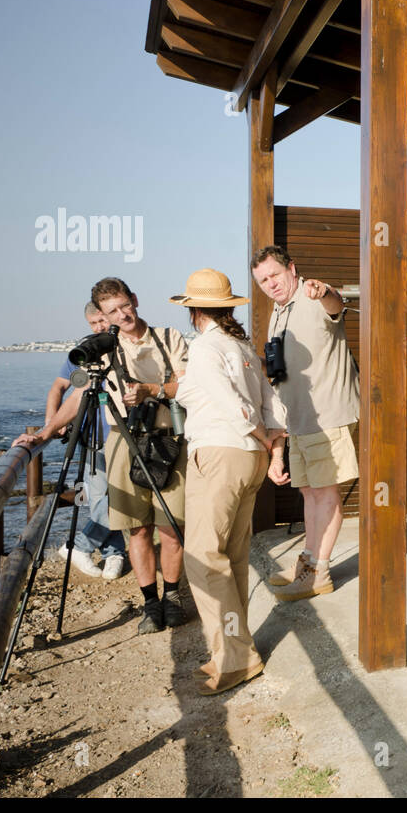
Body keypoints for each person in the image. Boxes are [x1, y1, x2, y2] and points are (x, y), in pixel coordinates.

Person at [15, 278, 189, 636]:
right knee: (136, 528)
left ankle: (172, 596)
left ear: (135, 300)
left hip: (168, 441)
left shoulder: (169, 337)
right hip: (123, 442)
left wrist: (150, 391)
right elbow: (77, 396)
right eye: (112, 311)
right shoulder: (103, 349)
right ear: (102, 314)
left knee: (171, 527)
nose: (122, 314)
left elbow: (188, 384)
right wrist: (45, 433)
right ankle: (150, 604)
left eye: (125, 305)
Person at [170, 269, 287, 695]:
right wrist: (272, 447)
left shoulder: (204, 348)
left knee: (201, 557)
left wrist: (257, 432)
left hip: (220, 454)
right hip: (249, 460)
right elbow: (273, 403)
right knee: (232, 555)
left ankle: (235, 658)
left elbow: (235, 407)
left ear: (194, 310)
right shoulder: (242, 347)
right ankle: (235, 651)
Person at [250, 245, 359, 600]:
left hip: (328, 416)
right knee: (309, 492)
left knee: (326, 494)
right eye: (263, 280)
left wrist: (325, 290)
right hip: (296, 419)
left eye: (274, 276)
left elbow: (336, 305)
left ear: (291, 269)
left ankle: (318, 574)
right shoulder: (278, 311)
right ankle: (308, 561)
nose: (270, 284)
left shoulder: (313, 296)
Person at [43, 300, 128, 580]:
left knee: (117, 499)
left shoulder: (123, 346)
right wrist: (51, 423)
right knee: (101, 499)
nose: (100, 327)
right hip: (93, 438)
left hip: (124, 435)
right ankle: (109, 552)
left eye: (102, 321)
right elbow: (60, 387)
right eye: (94, 324)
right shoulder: (86, 354)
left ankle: (91, 548)